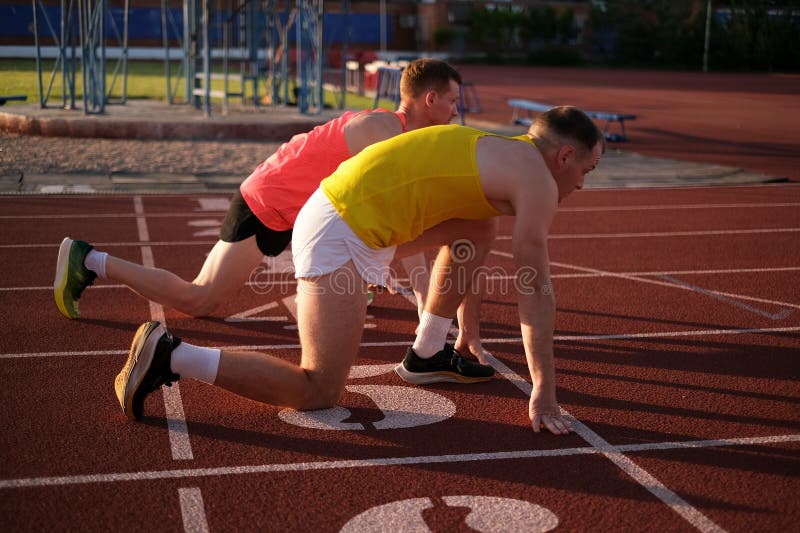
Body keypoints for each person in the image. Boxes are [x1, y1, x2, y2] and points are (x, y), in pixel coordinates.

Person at [114, 106, 604, 435]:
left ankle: (428, 350)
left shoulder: (502, 154)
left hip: (354, 222)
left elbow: (457, 232)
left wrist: (460, 325)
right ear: (564, 156)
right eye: (586, 170)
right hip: (340, 227)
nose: (583, 184)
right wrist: (543, 388)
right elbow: (535, 289)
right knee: (319, 388)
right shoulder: (536, 180)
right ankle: (173, 356)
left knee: (478, 231)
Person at [54, 58, 493, 360]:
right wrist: (422, 299)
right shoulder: (383, 131)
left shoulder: (396, 133)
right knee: (199, 297)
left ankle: (372, 289)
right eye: (453, 101)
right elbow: (390, 215)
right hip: (268, 203)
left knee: (366, 253)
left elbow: (393, 221)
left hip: (298, 211)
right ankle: (90, 260)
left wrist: (420, 299)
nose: (457, 112)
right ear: (430, 99)